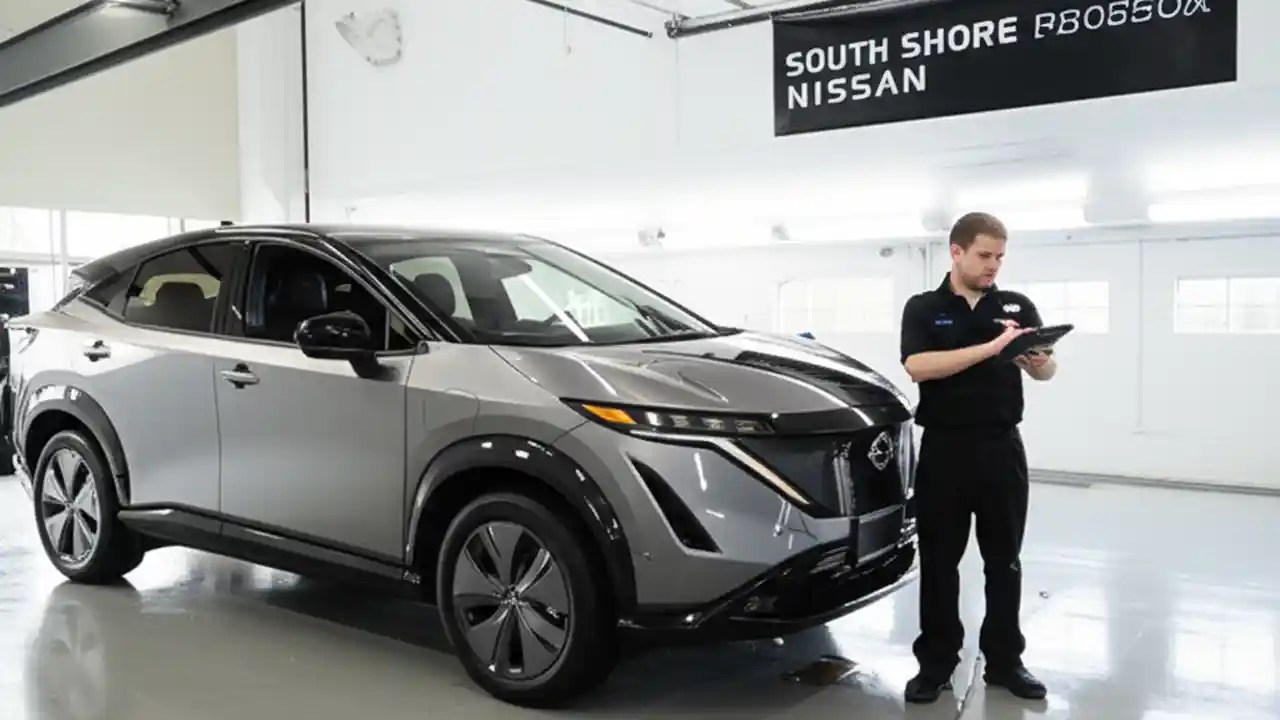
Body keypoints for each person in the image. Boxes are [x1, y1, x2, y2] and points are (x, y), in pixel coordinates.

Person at [898, 212, 1057, 703]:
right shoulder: (924, 308)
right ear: (956, 251)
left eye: (1000, 257)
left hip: (1001, 448)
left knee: (1003, 561)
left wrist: (1038, 360)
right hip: (945, 450)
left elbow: (1047, 371)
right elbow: (918, 366)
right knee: (940, 563)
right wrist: (992, 348)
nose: (993, 265)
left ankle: (1006, 662)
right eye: (985, 255)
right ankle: (936, 663)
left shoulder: (1016, 305)